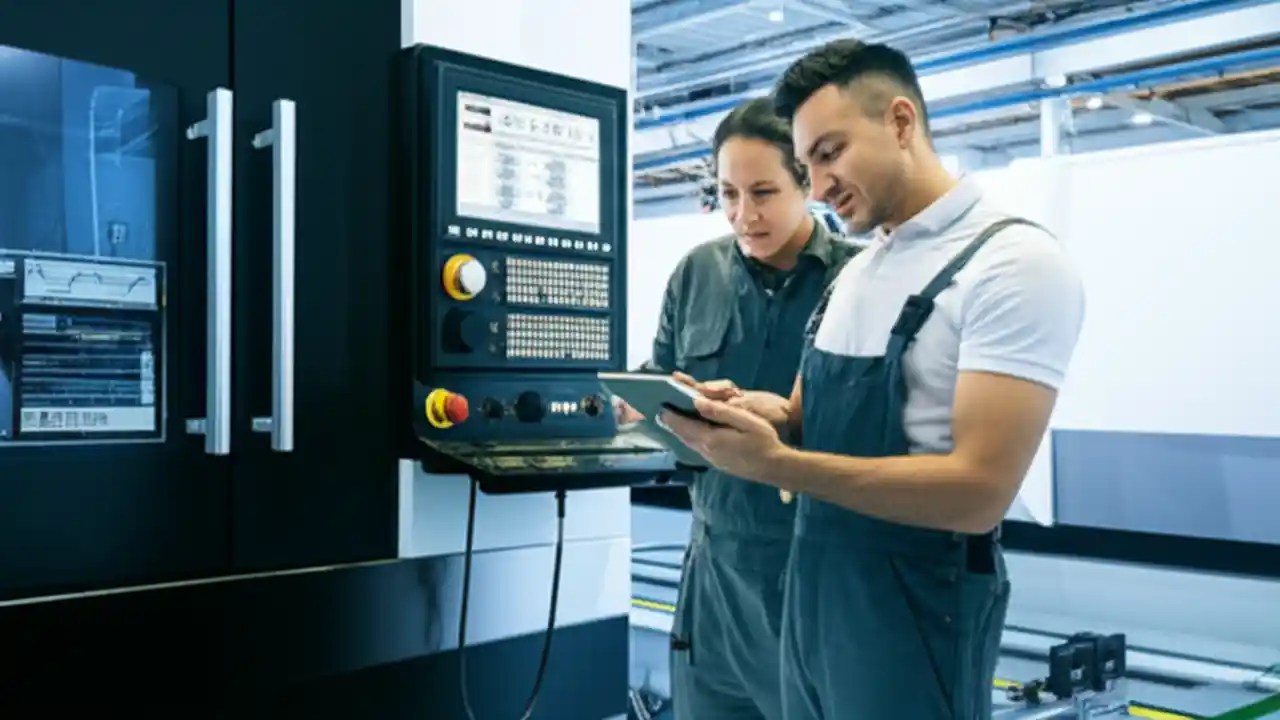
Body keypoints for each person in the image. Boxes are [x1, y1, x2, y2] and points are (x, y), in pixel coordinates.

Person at [660, 40, 1086, 720]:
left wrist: (781, 466)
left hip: (914, 611)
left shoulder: (1011, 265)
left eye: (830, 153)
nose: (820, 185)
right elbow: (804, 415)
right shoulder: (858, 273)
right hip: (811, 596)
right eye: (806, 165)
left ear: (899, 121)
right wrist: (742, 411)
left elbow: (978, 492)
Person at [622, 97, 859, 720]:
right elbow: (661, 371)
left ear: (805, 182)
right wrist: (643, 403)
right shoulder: (696, 274)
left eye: (762, 193)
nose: (742, 215)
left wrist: (787, 417)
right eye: (727, 193)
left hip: (812, 568)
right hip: (713, 568)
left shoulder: (859, 281)